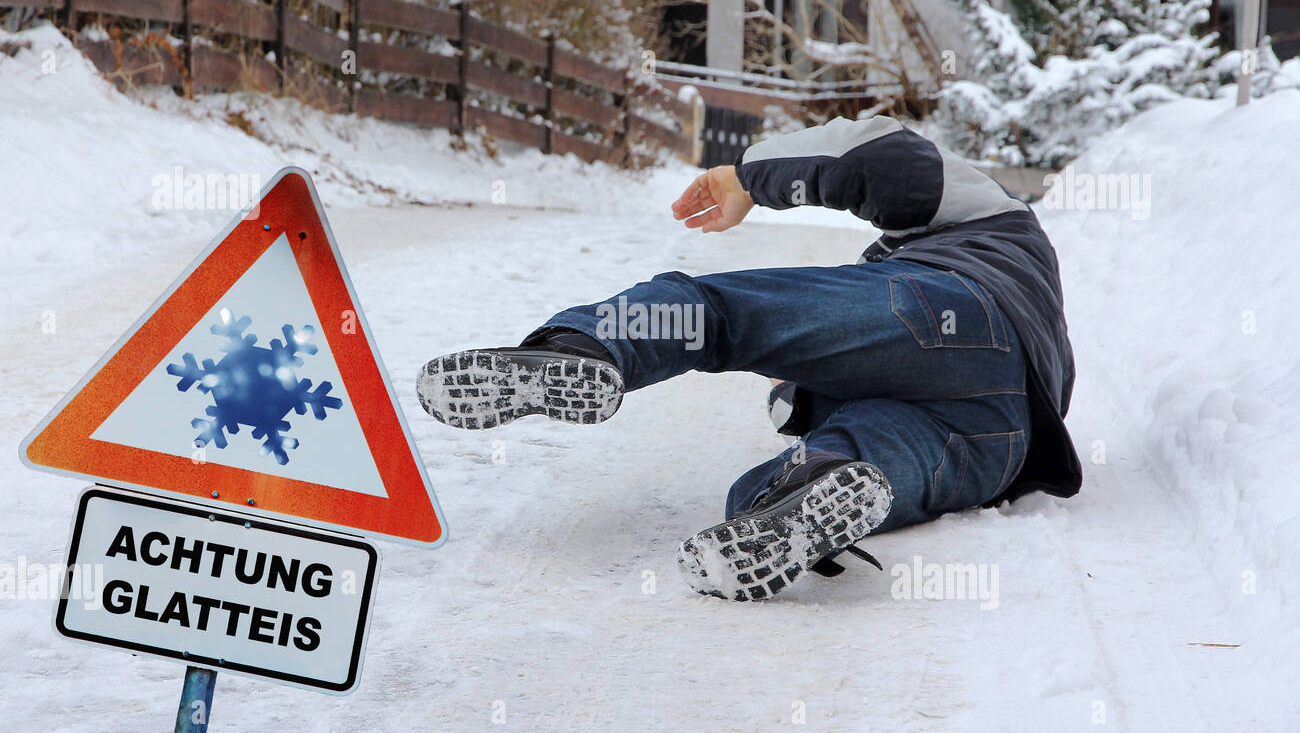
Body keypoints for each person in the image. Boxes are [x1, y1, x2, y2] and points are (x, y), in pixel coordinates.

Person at [417, 115, 1082, 601]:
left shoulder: (994, 221)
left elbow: (885, 156)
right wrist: (800, 382)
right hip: (1006, 439)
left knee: (717, 312)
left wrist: (745, 178)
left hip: (960, 313)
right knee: (820, 466)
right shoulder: (1039, 320)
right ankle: (799, 500)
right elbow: (819, 391)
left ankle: (585, 346)